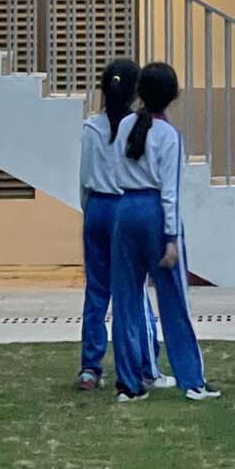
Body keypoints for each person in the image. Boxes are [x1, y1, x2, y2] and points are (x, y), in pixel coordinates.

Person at [112, 62, 220, 401]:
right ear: (172, 96)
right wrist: (171, 238)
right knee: (174, 299)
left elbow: (116, 169)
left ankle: (129, 384)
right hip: (155, 213)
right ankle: (192, 380)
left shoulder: (125, 125)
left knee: (126, 300)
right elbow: (170, 191)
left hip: (125, 209)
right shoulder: (169, 136)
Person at [77, 59, 173, 395]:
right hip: (123, 205)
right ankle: (145, 365)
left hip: (96, 207)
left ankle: (90, 367)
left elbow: (84, 178)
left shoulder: (92, 128)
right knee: (132, 292)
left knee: (96, 290)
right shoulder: (138, 125)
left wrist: (89, 211)